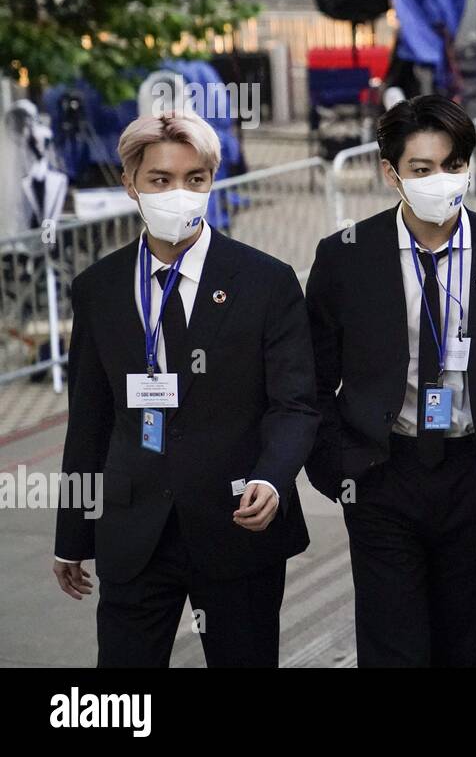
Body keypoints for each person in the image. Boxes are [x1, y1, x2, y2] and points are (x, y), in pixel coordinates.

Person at [304, 93, 476, 666]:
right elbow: (313, 377)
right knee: (392, 646)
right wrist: (336, 466)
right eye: (422, 169)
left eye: (453, 165)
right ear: (390, 172)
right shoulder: (347, 257)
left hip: (474, 475)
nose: (440, 180)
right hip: (382, 474)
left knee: (458, 644)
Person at [53, 111, 319, 667]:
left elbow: (294, 404)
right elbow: (90, 420)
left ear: (211, 183)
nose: (179, 193)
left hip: (237, 527)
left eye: (195, 179)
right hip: (134, 532)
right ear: (131, 184)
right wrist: (73, 534)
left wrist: (273, 479)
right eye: (161, 180)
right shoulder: (98, 289)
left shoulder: (266, 281)